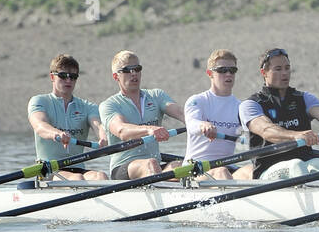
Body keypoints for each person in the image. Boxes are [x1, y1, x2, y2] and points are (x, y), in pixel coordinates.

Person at [239, 48, 319, 181]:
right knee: (296, 166)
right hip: (268, 169)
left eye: (287, 68)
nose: (285, 73)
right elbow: (266, 130)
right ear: (264, 72)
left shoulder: (304, 98)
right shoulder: (251, 105)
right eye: (278, 69)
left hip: (305, 161)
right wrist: (296, 135)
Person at [99, 52, 185, 181]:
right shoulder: (109, 105)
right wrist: (149, 130)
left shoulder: (156, 95)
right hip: (123, 168)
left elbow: (180, 112)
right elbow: (121, 130)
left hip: (154, 165)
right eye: (127, 70)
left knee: (185, 166)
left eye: (137, 69)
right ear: (116, 76)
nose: (134, 73)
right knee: (150, 164)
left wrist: (197, 122)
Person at [27, 55, 107, 181]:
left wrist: (103, 137)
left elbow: (98, 125)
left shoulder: (87, 106)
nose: (68, 80)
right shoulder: (39, 101)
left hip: (78, 167)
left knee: (101, 177)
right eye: (63, 76)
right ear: (52, 77)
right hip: (49, 170)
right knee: (77, 179)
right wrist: (57, 134)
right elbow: (40, 126)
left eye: (73, 77)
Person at [183, 50, 252, 181]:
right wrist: (203, 125)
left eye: (232, 70)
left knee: (253, 170)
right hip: (196, 169)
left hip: (226, 167)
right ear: (210, 74)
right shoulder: (197, 101)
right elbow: (192, 124)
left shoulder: (241, 107)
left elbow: (251, 134)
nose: (228, 74)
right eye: (222, 70)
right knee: (221, 172)